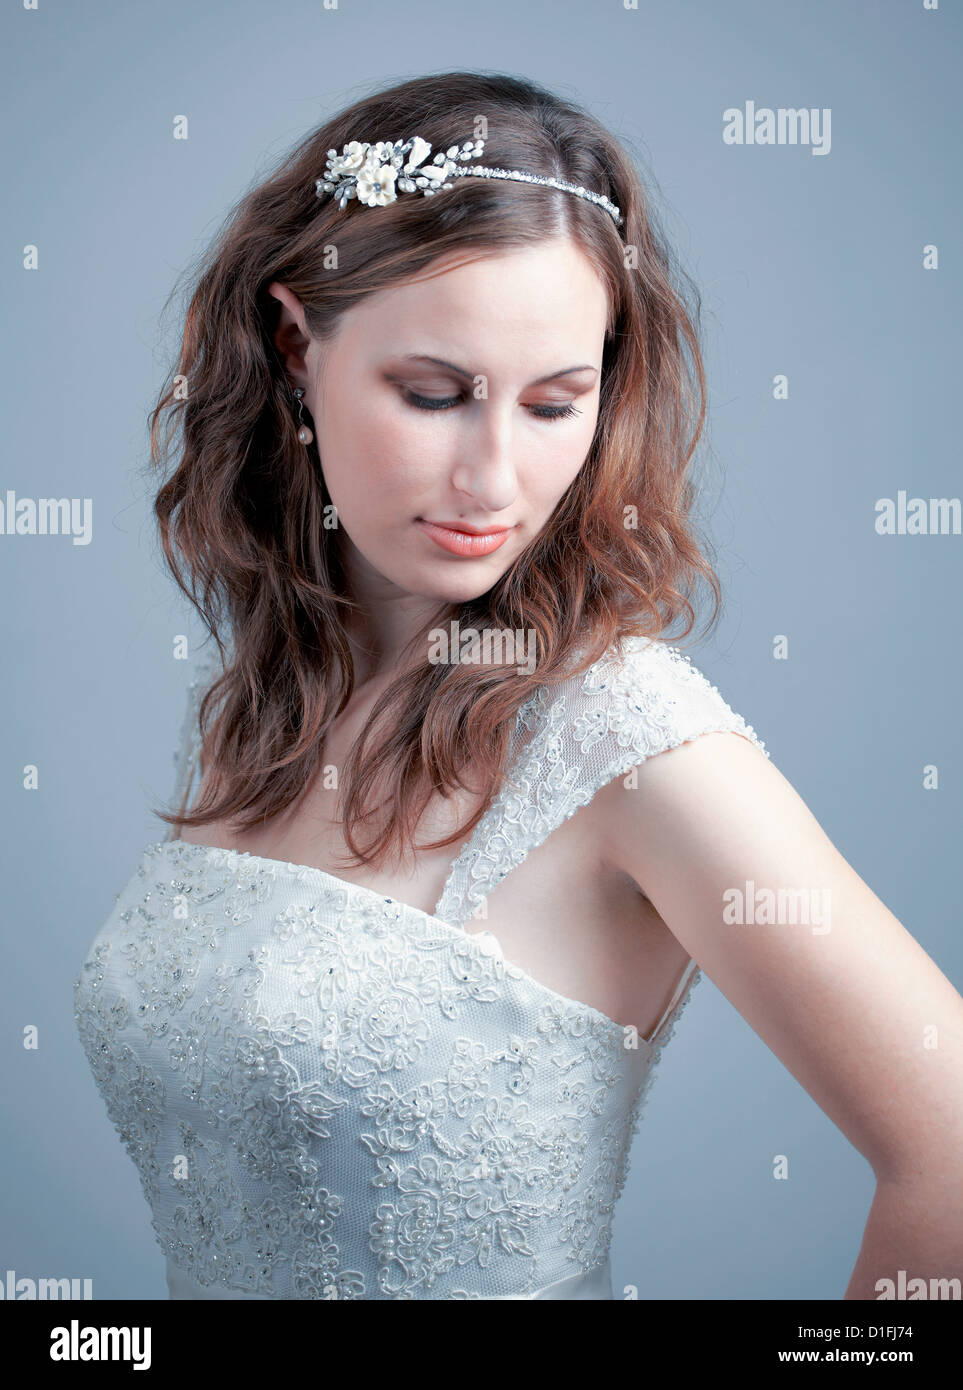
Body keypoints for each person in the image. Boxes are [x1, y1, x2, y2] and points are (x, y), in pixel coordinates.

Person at [74, 70, 963, 1301]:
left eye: (556, 401)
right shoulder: (280, 701)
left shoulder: (628, 734)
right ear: (294, 348)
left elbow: (952, 1155)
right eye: (434, 394)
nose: (496, 476)